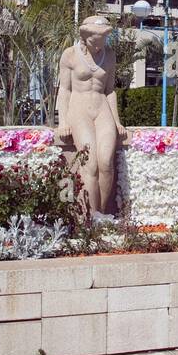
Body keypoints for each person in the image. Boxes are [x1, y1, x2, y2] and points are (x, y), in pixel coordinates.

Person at [55, 15, 126, 216]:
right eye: (97, 39)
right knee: (91, 165)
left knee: (106, 163)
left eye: (104, 38)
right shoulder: (69, 55)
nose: (101, 43)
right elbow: (65, 90)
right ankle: (92, 216)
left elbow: (110, 90)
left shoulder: (110, 55)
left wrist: (117, 121)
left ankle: (103, 214)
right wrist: (63, 121)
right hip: (79, 109)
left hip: (102, 108)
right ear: (86, 37)